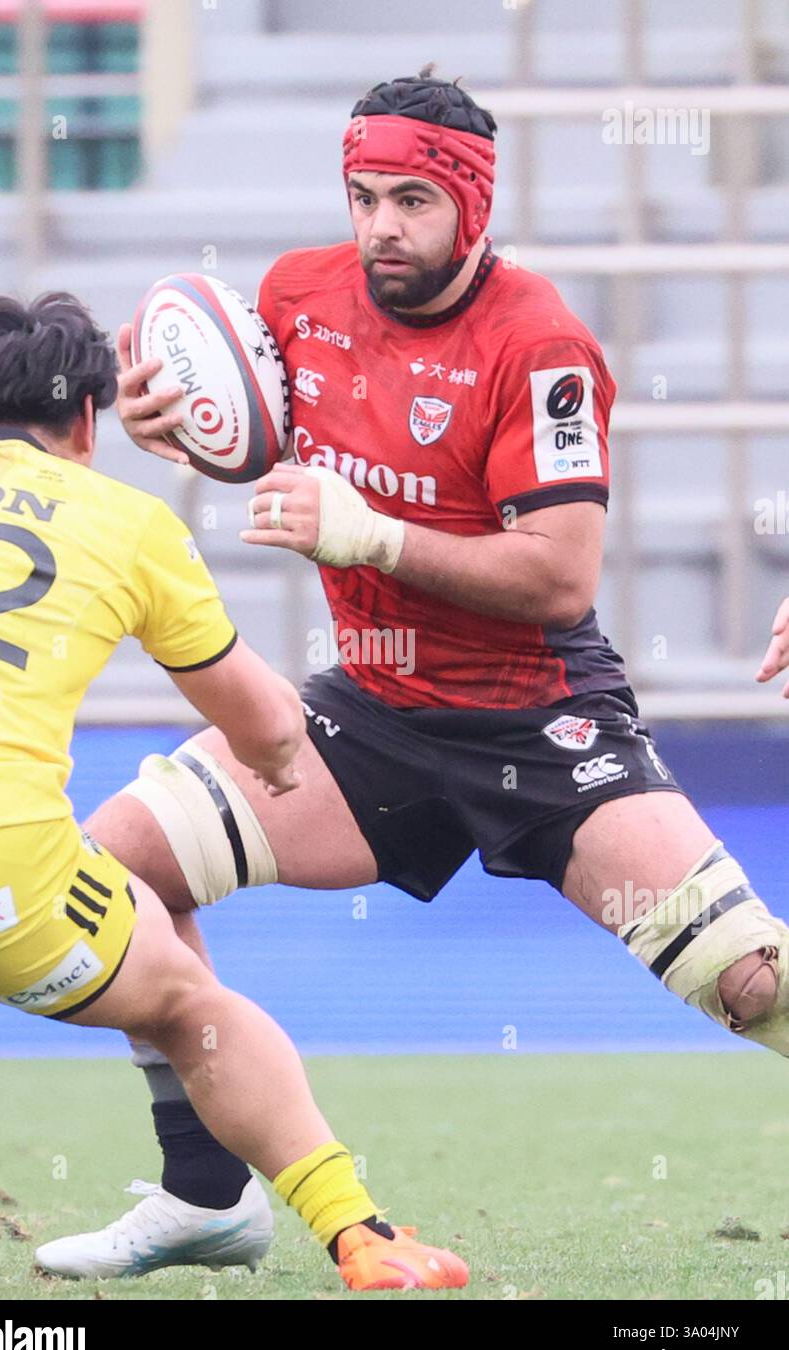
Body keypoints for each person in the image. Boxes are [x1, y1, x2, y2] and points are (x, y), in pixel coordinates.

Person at [42, 69, 789, 1278]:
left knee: (749, 981)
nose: (381, 225)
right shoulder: (297, 295)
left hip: (543, 722)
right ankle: (207, 1194)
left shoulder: (541, 344)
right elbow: (284, 469)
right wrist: (177, 429)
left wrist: (371, 536)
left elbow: (559, 576)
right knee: (116, 869)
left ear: (471, 208)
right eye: (362, 195)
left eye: (410, 200)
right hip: (371, 715)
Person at [0, 291, 469, 1293]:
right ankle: (362, 1236)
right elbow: (265, 724)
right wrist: (273, 758)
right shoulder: (125, 520)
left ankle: (204, 1197)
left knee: (134, 876)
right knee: (187, 1003)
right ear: (88, 423)